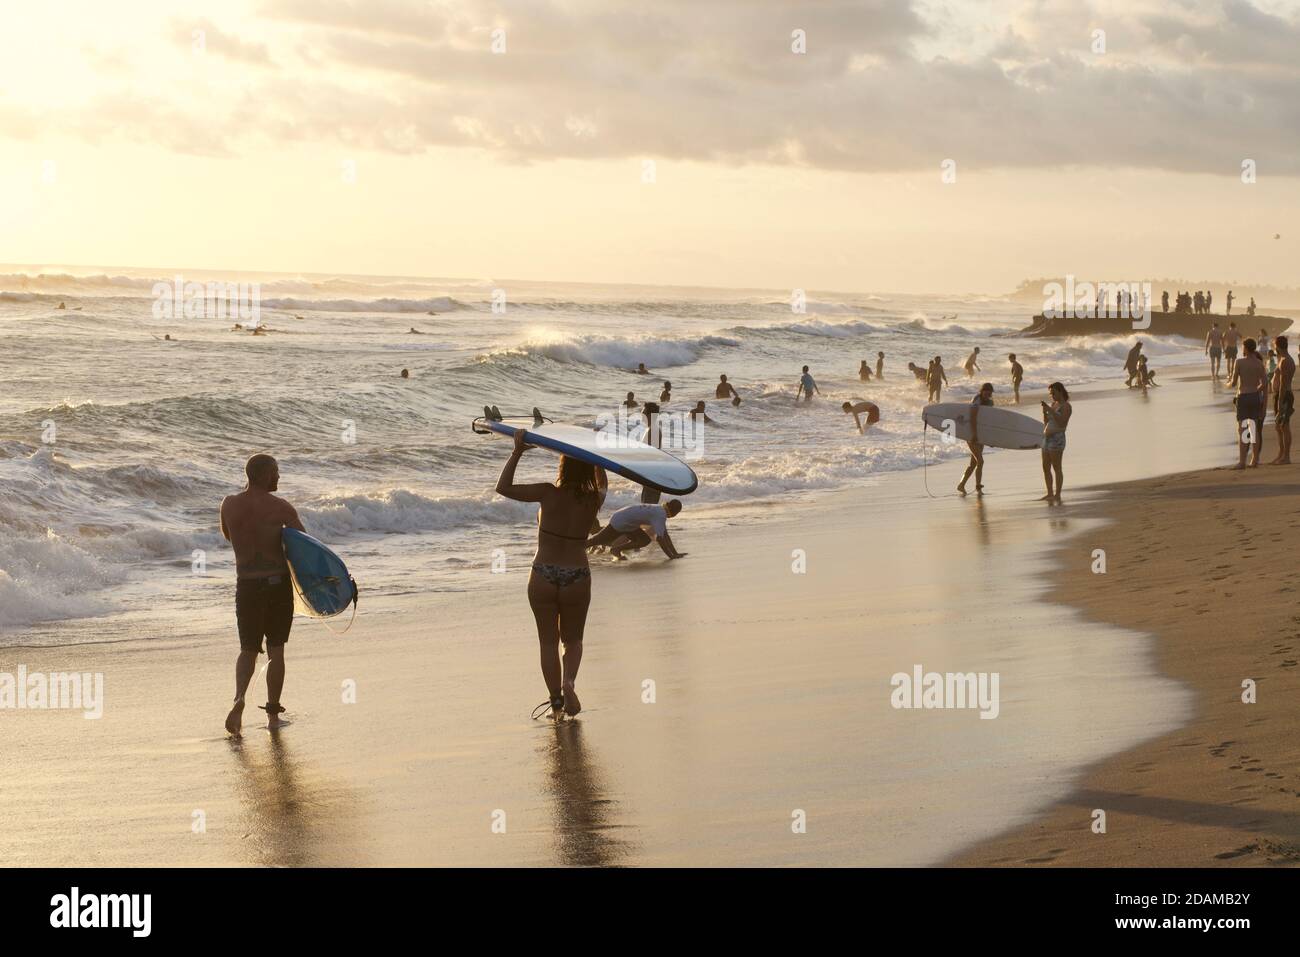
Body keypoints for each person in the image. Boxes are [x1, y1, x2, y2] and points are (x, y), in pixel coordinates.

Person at [495, 429, 606, 718]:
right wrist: (597, 453)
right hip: (576, 575)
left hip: (543, 574)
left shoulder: (547, 492)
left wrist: (517, 450)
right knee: (573, 640)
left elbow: (503, 487)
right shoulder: (594, 499)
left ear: (563, 465)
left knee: (547, 642)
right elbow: (602, 478)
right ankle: (569, 683)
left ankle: (556, 703)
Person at [220, 454, 307, 736]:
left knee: (248, 648)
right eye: (277, 472)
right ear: (266, 474)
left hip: (246, 585)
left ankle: (239, 699)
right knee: (276, 650)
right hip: (276, 585)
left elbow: (229, 537)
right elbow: (306, 548)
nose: (279, 477)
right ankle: (272, 715)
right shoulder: (280, 507)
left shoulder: (229, 505)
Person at [586, 501, 686, 561]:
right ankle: (574, 548)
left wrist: (675, 553)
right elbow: (660, 539)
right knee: (596, 541)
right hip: (621, 521)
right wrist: (671, 556)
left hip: (626, 521)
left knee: (644, 540)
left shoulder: (659, 509)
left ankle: (616, 549)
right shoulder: (660, 515)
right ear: (675, 512)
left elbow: (665, 535)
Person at [1228, 338, 1267, 469]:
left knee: (1243, 429)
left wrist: (1227, 384)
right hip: (1255, 397)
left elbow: (1233, 383)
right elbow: (1265, 383)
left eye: (1243, 346)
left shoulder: (1239, 362)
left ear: (1245, 348)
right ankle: (1255, 460)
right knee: (1254, 429)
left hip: (1243, 397)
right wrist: (1256, 389)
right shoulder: (1259, 363)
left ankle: (1242, 461)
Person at [957, 382, 994, 496]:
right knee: (980, 461)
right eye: (986, 391)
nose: (988, 393)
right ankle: (978, 487)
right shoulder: (976, 400)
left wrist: (991, 439)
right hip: (971, 434)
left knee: (973, 464)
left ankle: (961, 485)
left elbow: (989, 422)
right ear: (982, 391)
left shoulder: (990, 403)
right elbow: (972, 419)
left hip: (981, 435)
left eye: (990, 392)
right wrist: (973, 435)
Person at [1040, 382, 1072, 502]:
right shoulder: (1053, 404)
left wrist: (1050, 410)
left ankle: (1057, 494)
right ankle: (1049, 493)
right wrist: (1045, 412)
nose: (1052, 395)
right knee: (1045, 466)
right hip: (1047, 437)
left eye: (1053, 393)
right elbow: (1046, 422)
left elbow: (1062, 422)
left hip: (1057, 438)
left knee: (1057, 467)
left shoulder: (1066, 406)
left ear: (1060, 391)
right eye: (1050, 394)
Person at [1270, 335, 1294, 465]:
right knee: (1279, 427)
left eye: (1274, 345)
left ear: (1278, 346)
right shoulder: (1282, 359)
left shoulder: (1285, 361)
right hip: (1280, 395)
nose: (1274, 347)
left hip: (1284, 396)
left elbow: (1284, 384)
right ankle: (1281, 454)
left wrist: (1280, 403)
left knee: (1284, 426)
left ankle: (1286, 457)